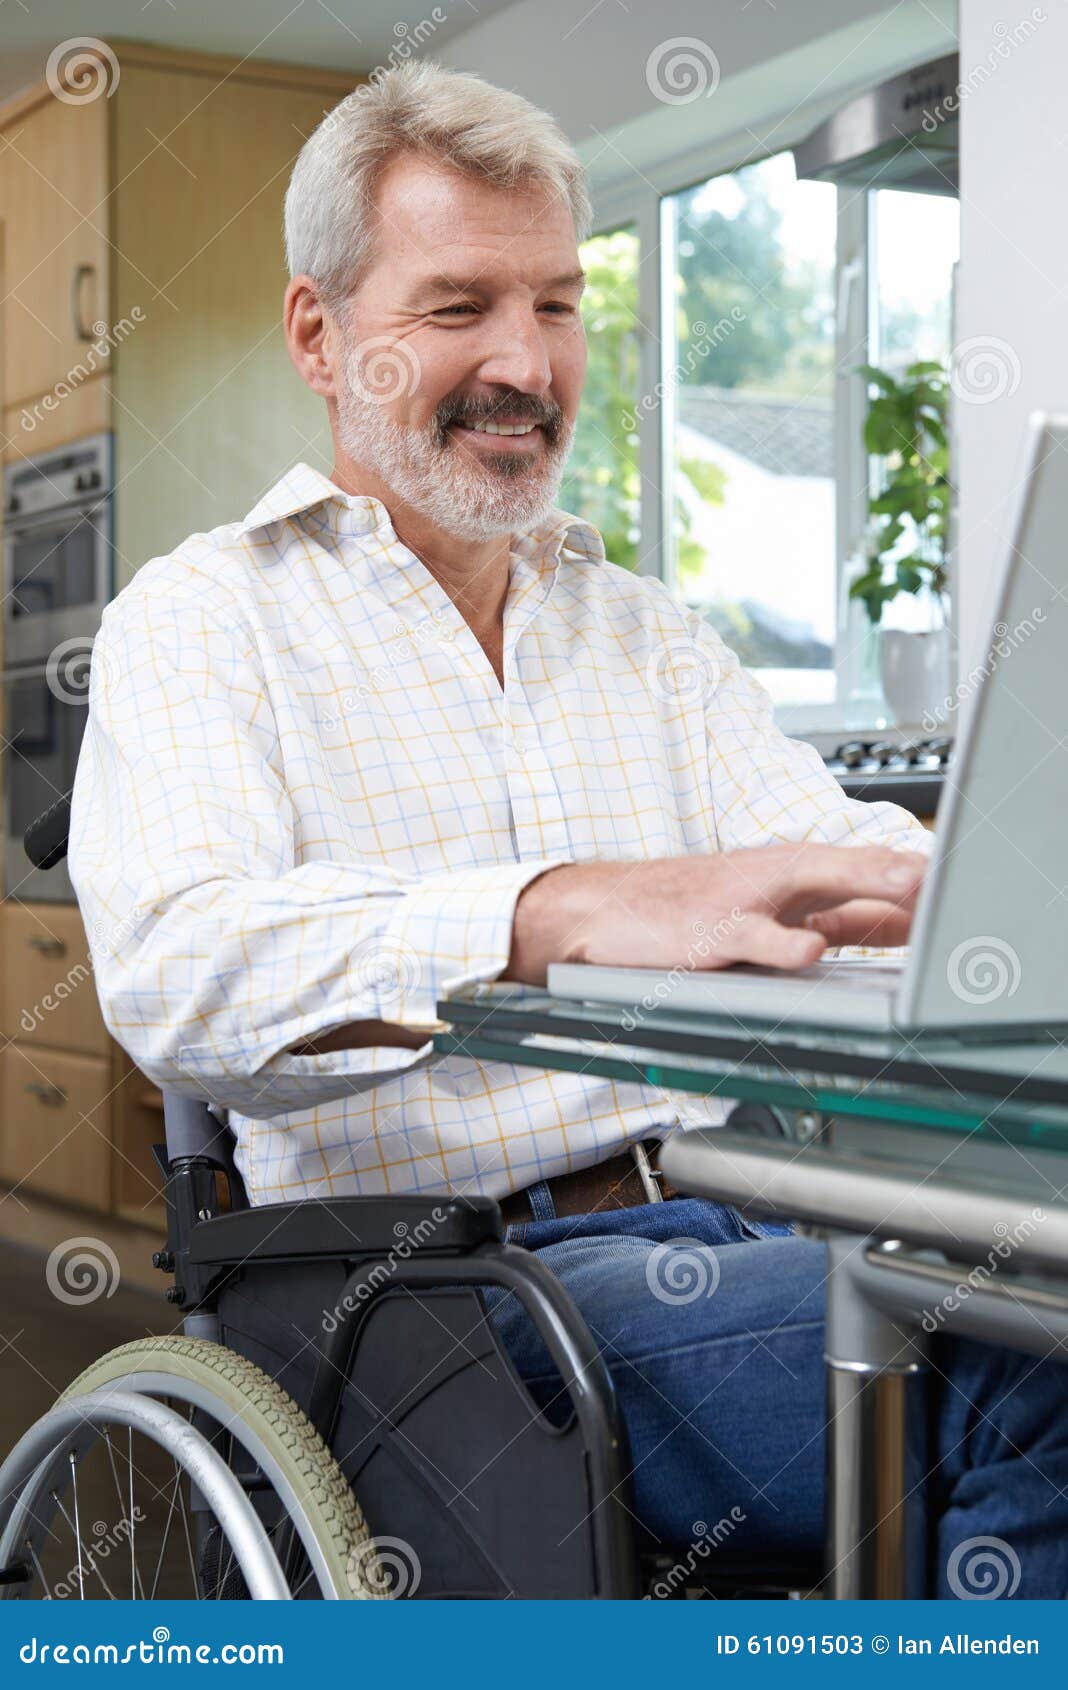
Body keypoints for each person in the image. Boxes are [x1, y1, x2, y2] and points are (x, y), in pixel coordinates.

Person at [68, 62, 1068, 1598]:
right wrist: (545, 913)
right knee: (1036, 1353)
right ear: (318, 335)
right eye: (459, 307)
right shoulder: (205, 617)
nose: (525, 362)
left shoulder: (644, 630)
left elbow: (836, 862)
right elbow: (178, 972)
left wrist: (986, 887)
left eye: (556, 304)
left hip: (741, 1220)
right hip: (450, 1296)